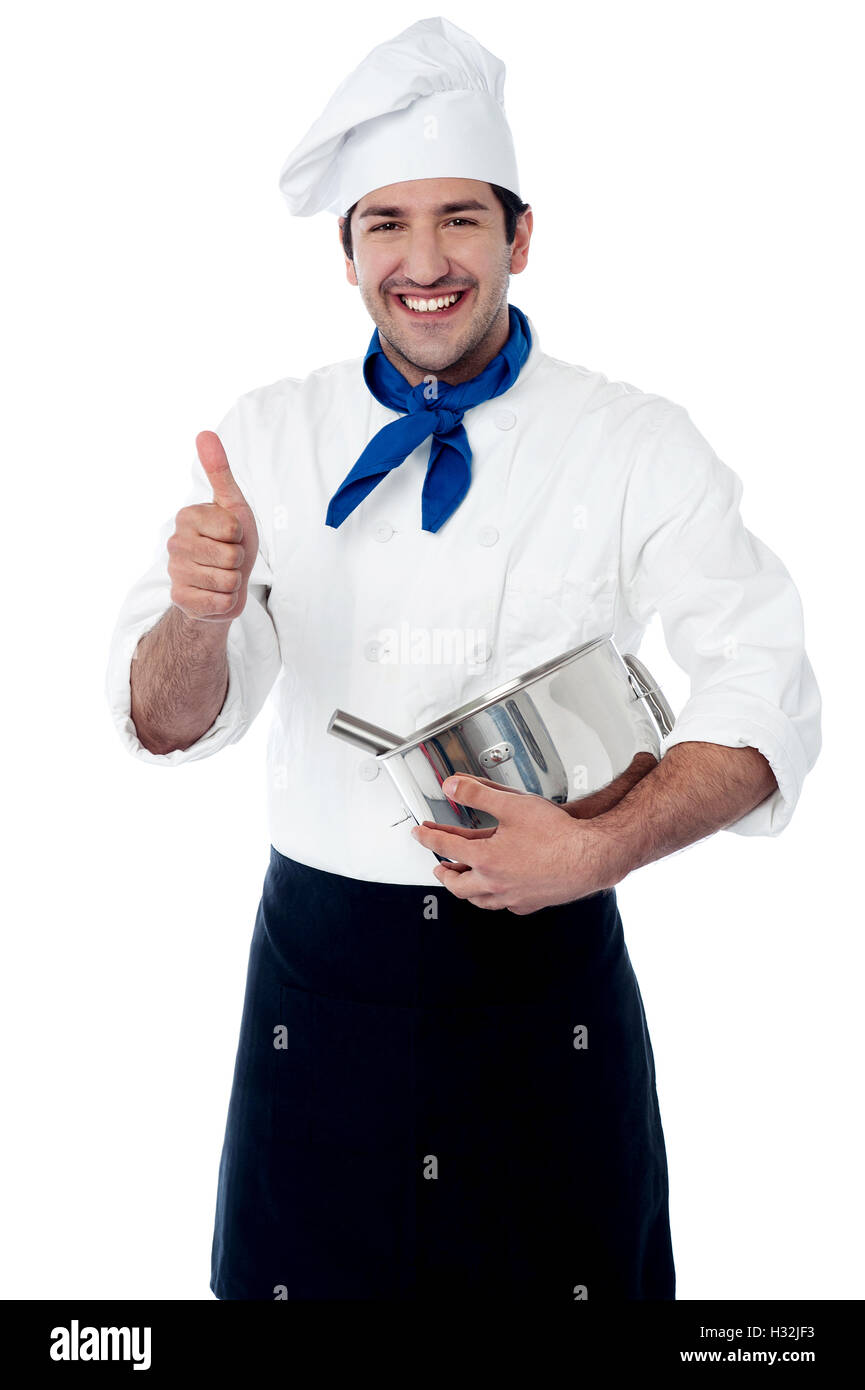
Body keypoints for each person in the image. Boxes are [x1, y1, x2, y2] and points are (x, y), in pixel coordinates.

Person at [105, 17, 821, 1301]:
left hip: (547, 988)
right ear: (347, 252)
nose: (423, 262)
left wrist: (599, 848)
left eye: (459, 220)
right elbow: (164, 722)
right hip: (317, 988)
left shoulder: (634, 443)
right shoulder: (267, 437)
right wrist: (198, 614)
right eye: (386, 222)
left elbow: (766, 694)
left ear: (519, 237)